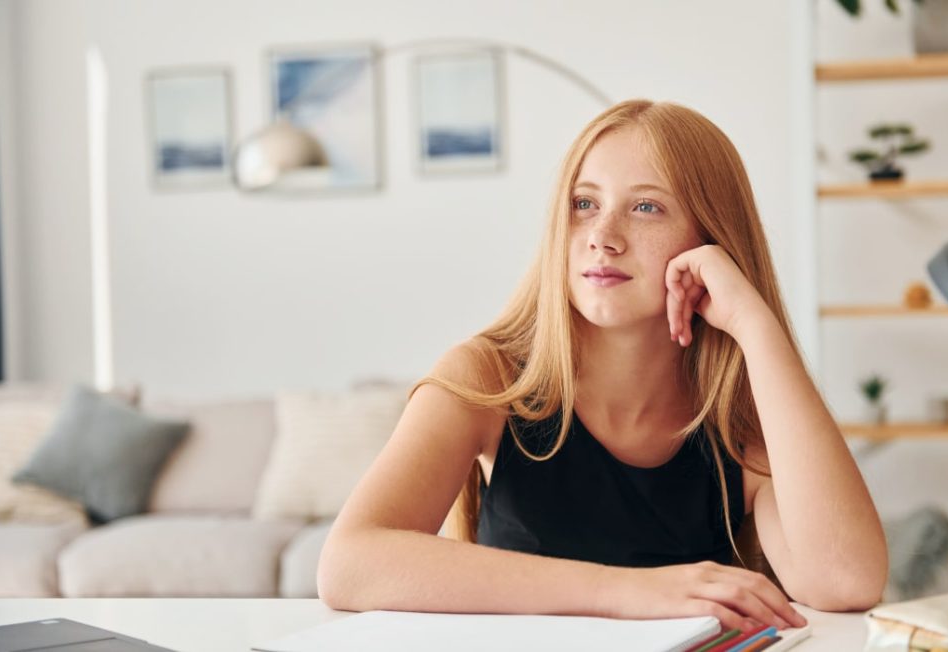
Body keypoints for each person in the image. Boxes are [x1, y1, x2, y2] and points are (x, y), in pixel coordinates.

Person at [317, 99, 888, 631]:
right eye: (584, 204)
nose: (602, 237)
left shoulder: (738, 414)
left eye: (646, 207)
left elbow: (843, 580)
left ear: (710, 238)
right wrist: (630, 592)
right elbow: (349, 564)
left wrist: (755, 327)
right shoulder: (488, 375)